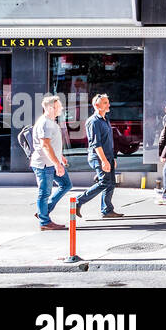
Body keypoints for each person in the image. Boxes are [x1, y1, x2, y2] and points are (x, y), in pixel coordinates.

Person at [74, 93, 123, 219]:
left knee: (111, 183)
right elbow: (96, 144)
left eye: (108, 102)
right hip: (98, 157)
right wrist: (104, 161)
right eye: (105, 103)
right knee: (104, 182)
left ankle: (107, 210)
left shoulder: (105, 119)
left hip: (108, 156)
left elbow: (109, 140)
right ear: (97, 105)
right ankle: (78, 201)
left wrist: (112, 158)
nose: (109, 105)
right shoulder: (93, 121)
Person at [31, 94, 71, 230]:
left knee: (66, 185)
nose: (61, 108)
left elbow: (52, 144)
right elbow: (46, 145)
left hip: (52, 162)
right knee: (44, 193)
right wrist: (57, 163)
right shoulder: (45, 123)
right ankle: (44, 222)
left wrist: (60, 157)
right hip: (44, 164)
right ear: (49, 108)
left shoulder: (50, 122)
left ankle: (43, 211)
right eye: (58, 106)